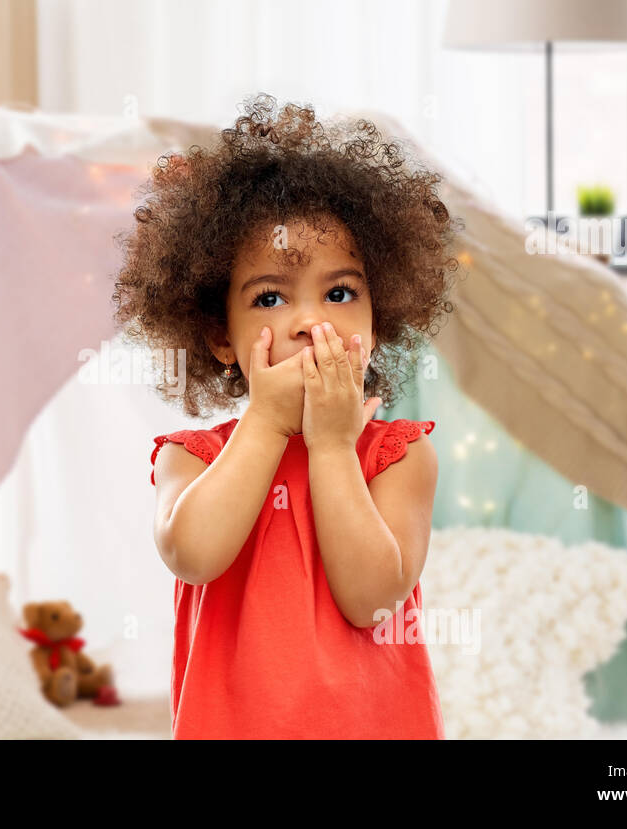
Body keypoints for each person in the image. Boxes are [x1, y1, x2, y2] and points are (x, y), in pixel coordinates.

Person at [113, 93, 458, 739]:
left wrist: (332, 448)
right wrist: (268, 425)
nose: (310, 320)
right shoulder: (191, 456)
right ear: (221, 336)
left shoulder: (399, 454)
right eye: (270, 296)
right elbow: (193, 553)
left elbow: (372, 600)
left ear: (376, 322)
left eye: (340, 292)